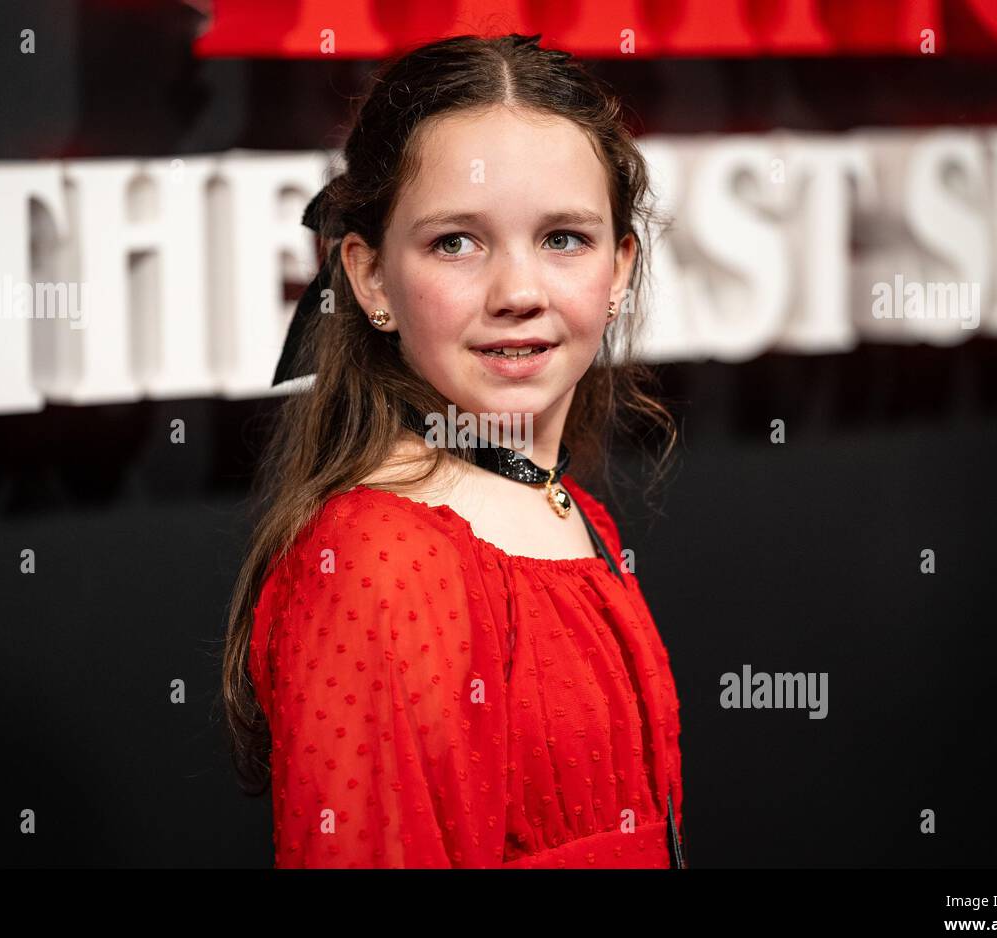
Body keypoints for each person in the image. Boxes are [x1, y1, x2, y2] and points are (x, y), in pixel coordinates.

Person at [220, 32, 683, 868]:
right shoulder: (378, 563)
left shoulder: (573, 511)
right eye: (455, 243)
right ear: (368, 278)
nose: (518, 294)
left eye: (564, 239)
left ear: (619, 269)